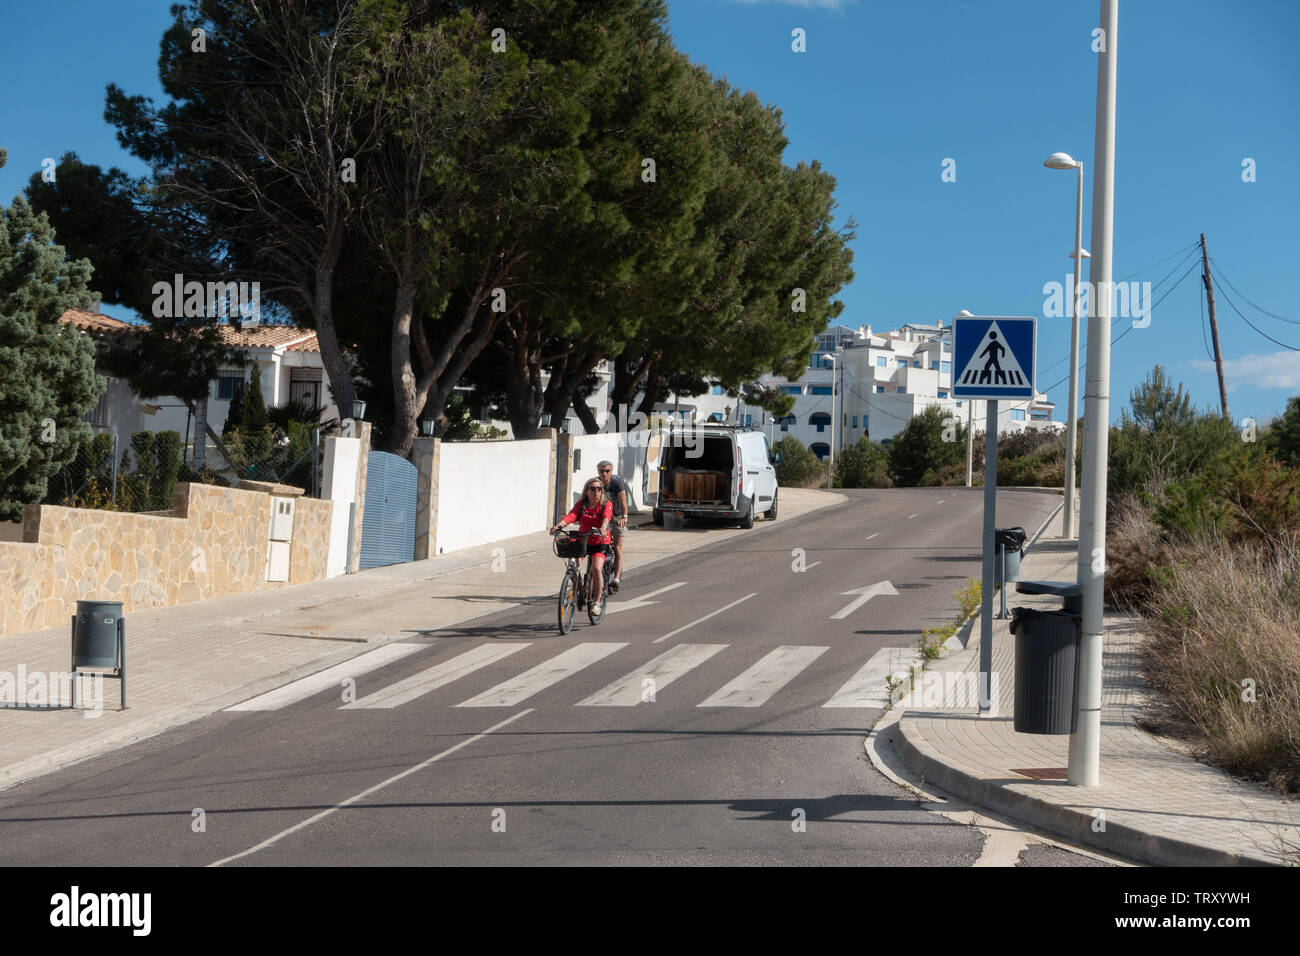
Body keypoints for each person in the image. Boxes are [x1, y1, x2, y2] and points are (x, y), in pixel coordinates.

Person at [549, 478, 613, 610]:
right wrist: (559, 526)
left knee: (596, 568)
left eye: (599, 489)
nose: (596, 491)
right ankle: (576, 585)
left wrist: (603, 527)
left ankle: (596, 602)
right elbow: (571, 516)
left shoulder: (606, 505)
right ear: (587, 491)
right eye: (593, 489)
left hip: (600, 542)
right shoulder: (582, 504)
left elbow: (607, 517)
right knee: (573, 563)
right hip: (583, 540)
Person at [597, 460, 628, 593]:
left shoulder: (617, 482)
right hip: (604, 518)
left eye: (607, 471)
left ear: (611, 471)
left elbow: (623, 500)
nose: (604, 473)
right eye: (602, 471)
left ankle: (616, 579)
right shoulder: (596, 483)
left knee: (617, 547)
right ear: (598, 472)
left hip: (617, 516)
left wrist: (624, 516)